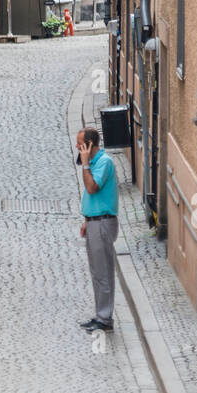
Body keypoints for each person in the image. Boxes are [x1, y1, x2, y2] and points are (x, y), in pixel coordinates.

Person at [76, 126, 119, 333]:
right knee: (96, 272)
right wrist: (88, 220)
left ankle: (105, 318)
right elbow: (93, 197)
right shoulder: (95, 163)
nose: (77, 147)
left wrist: (85, 165)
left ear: (90, 145)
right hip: (95, 222)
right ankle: (100, 315)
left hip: (102, 223)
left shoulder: (104, 163)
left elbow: (92, 188)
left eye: (80, 144)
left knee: (103, 272)